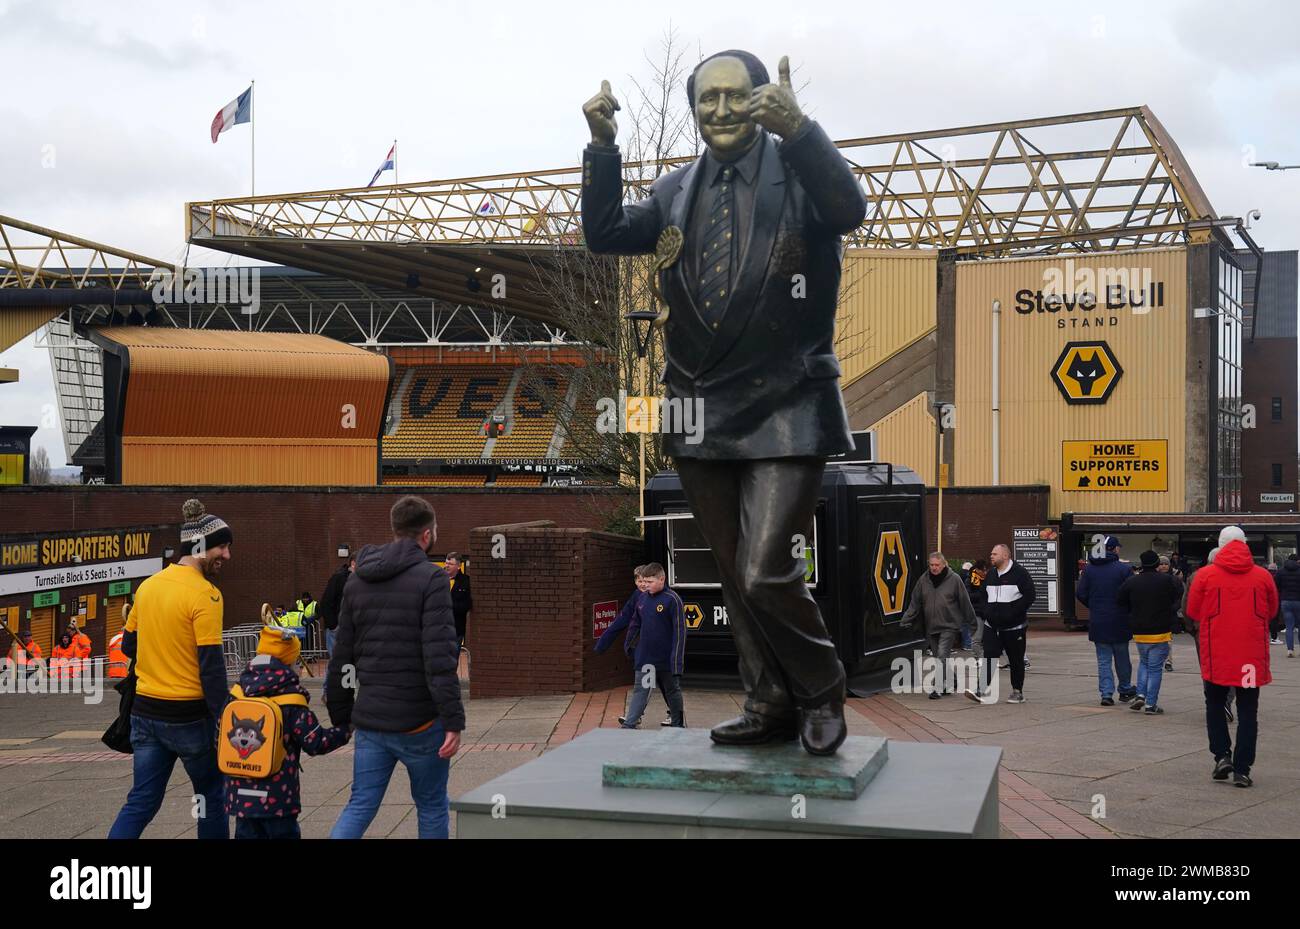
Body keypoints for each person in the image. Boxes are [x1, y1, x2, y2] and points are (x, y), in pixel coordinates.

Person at [581, 49, 867, 757]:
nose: (720, 111)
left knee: (767, 567)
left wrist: (803, 131)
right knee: (733, 575)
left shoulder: (799, 171)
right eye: (707, 100)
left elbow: (849, 207)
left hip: (788, 403)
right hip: (700, 408)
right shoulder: (676, 190)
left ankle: (821, 685)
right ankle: (768, 698)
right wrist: (603, 148)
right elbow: (607, 232)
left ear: (763, 100)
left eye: (735, 97)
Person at [326, 496, 464, 839]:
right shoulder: (431, 580)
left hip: (372, 721)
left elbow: (342, 655)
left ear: (394, 529)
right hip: (421, 722)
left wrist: (342, 715)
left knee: (359, 805)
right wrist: (453, 719)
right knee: (431, 805)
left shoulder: (357, 581)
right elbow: (439, 656)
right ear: (427, 534)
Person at [108, 498, 232, 840]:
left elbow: (129, 646)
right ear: (202, 546)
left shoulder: (148, 586)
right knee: (210, 797)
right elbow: (211, 668)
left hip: (144, 714)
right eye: (222, 547)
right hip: (189, 718)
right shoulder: (206, 596)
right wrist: (225, 716)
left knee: (142, 800)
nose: (227, 556)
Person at [223, 626, 349, 839]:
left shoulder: (237, 694)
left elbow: (221, 737)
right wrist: (345, 730)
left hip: (241, 797)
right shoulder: (291, 700)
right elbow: (316, 742)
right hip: (279, 799)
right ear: (288, 662)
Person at [1185, 525, 1276, 787]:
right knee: (1248, 711)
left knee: (1214, 704)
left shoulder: (1205, 575)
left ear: (1220, 545)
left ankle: (1221, 755)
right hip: (1250, 657)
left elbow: (1192, 610)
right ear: (1245, 544)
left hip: (1217, 654)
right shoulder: (1262, 576)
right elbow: (1271, 611)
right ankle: (1243, 769)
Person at [597, 563, 686, 729]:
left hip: (666, 659)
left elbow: (680, 633)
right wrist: (630, 648)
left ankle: (678, 724)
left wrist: (676, 661)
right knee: (641, 690)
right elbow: (634, 626)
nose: (645, 585)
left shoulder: (672, 600)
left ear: (662, 579)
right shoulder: (642, 599)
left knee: (672, 691)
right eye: (643, 581)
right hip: (646, 658)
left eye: (650, 582)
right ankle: (630, 723)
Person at [901, 552, 977, 699]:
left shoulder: (954, 579)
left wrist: (972, 623)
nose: (934, 568)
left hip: (949, 625)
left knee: (942, 656)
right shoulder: (924, 580)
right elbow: (915, 601)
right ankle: (952, 680)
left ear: (943, 564)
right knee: (939, 657)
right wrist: (906, 619)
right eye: (931, 565)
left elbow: (964, 601)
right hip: (931, 625)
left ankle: (937, 688)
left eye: (937, 565)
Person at [1118, 550, 1183, 715]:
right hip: (1161, 631)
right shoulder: (1168, 580)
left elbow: (1120, 601)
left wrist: (1133, 613)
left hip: (1139, 631)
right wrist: (1170, 610)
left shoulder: (1132, 581)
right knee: (1155, 668)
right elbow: (1179, 597)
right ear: (1156, 564)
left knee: (1144, 663)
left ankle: (1140, 694)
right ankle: (1151, 703)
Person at [1076, 536, 1138, 707]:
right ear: (1114, 549)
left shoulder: (1090, 570)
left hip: (1099, 619)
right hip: (1119, 619)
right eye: (1118, 547)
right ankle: (1125, 689)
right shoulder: (1123, 569)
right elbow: (1131, 593)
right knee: (1122, 657)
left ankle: (1106, 693)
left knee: (1103, 660)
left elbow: (1081, 593)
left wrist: (1094, 605)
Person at [977, 543, 1035, 704]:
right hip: (992, 625)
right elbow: (983, 595)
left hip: (1014, 627)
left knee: (1015, 659)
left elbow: (1030, 596)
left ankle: (1017, 691)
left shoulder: (1020, 574)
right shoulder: (991, 575)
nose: (991, 556)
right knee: (989, 655)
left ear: (1005, 556)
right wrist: (986, 612)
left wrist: (1012, 612)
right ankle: (981, 689)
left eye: (995, 554)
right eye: (991, 553)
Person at [317, 556, 355, 658]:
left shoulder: (356, 580)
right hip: (337, 627)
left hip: (348, 627)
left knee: (346, 664)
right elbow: (326, 602)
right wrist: (333, 625)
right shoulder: (339, 578)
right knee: (337, 663)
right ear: (353, 563)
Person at [1274, 553, 1300, 658]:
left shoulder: (1280, 572)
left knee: (1289, 626)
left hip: (1285, 601)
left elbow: (1276, 585)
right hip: (1299, 601)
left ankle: (1290, 650)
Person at [445, 552, 473, 650]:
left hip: (455, 630)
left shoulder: (466, 581)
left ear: (458, 566)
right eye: (446, 563)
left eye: (450, 564)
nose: (447, 566)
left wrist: (449, 605)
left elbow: (467, 605)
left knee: (451, 661)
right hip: (438, 630)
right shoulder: (438, 579)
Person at [963, 559, 988, 653]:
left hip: (988, 612)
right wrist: (982, 593)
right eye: (983, 570)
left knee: (989, 640)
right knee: (976, 639)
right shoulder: (970, 580)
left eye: (986, 570)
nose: (985, 572)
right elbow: (967, 596)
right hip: (977, 612)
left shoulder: (989, 579)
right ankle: (979, 661)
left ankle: (988, 662)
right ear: (977, 570)